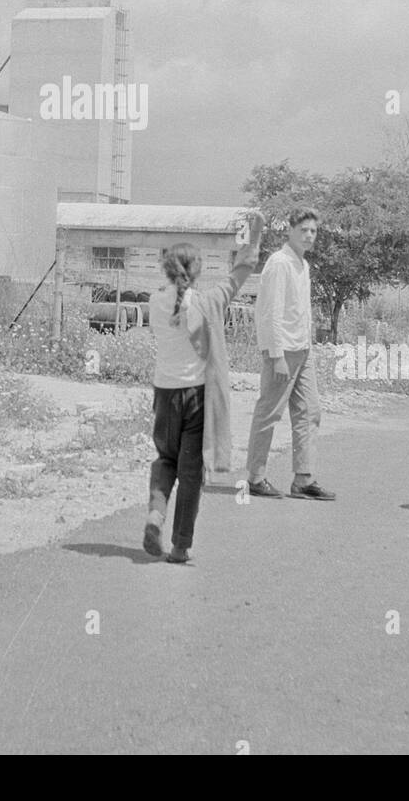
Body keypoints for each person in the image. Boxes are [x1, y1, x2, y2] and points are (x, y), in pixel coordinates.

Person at [144, 211, 264, 563]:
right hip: (198, 396)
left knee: (165, 459)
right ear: (197, 270)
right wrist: (252, 236)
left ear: (166, 269)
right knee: (190, 470)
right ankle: (180, 545)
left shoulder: (154, 303)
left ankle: (155, 514)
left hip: (164, 394)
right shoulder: (209, 302)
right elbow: (242, 272)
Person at [245, 206, 335, 500]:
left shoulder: (302, 265)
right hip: (281, 351)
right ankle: (256, 477)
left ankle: (303, 479)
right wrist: (277, 355)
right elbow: (270, 313)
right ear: (290, 231)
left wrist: (306, 346)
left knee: (310, 411)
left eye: (313, 231)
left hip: (302, 350)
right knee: (269, 413)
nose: (309, 236)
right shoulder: (279, 263)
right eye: (303, 230)